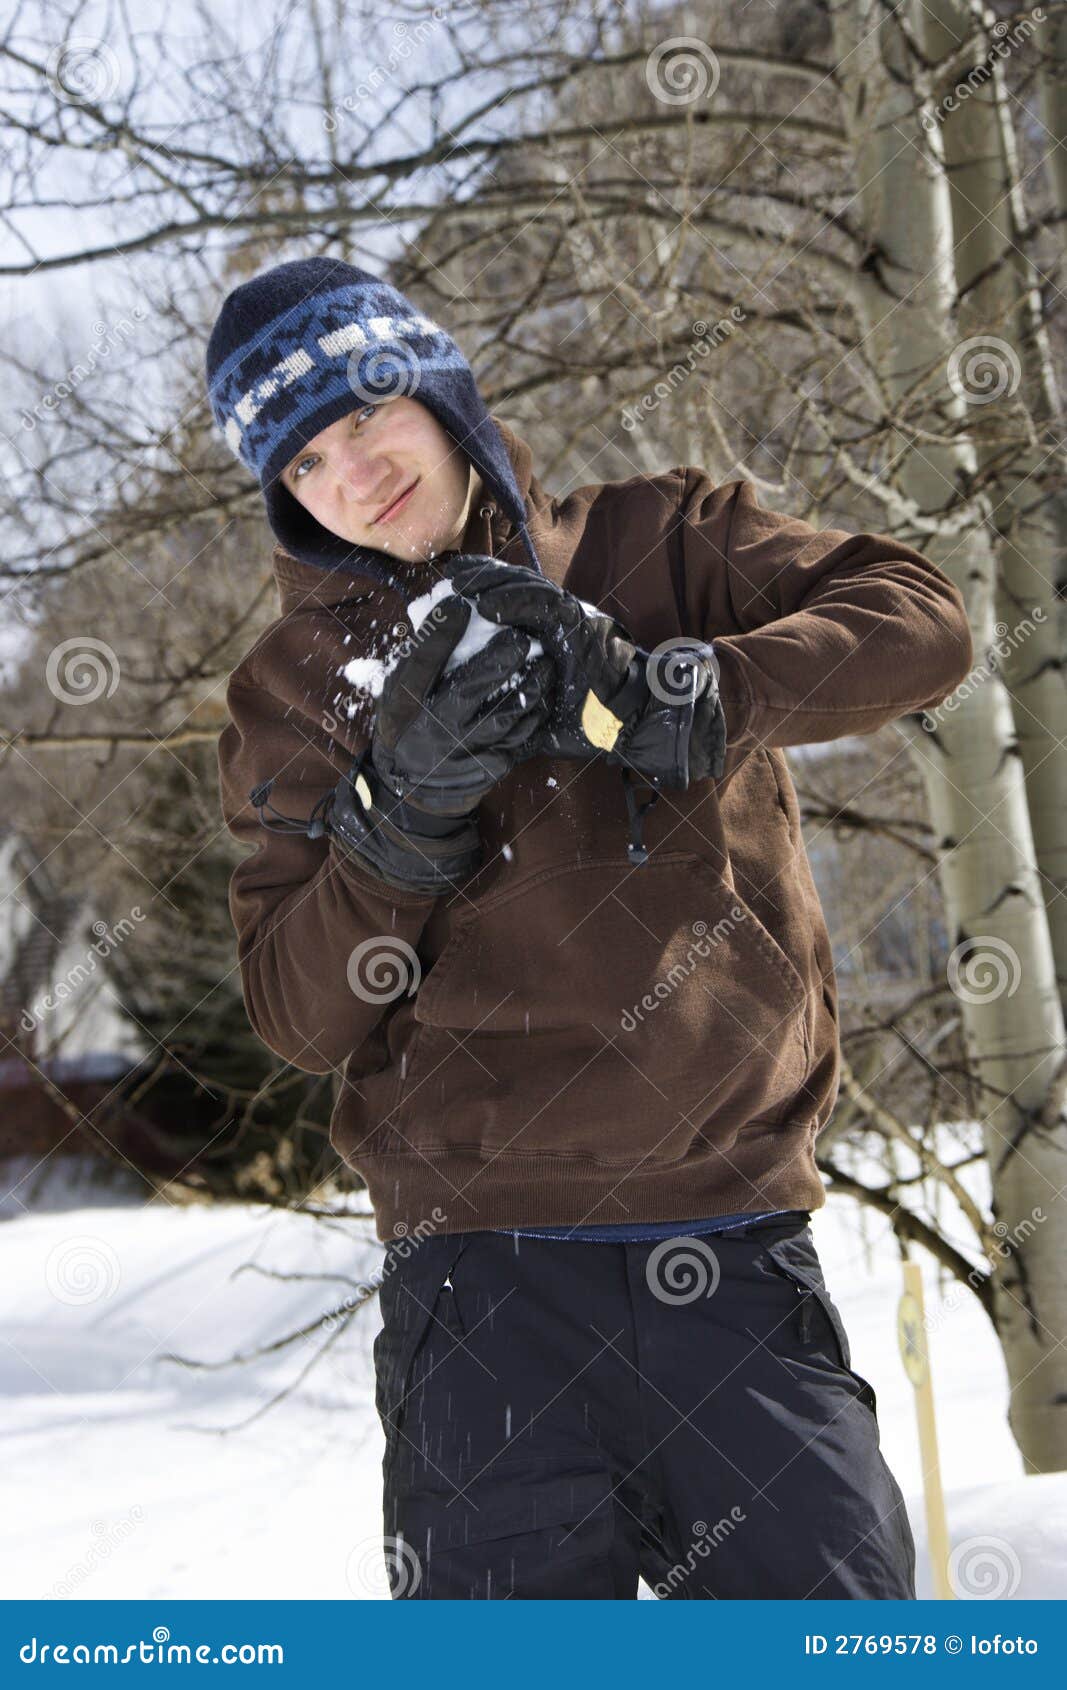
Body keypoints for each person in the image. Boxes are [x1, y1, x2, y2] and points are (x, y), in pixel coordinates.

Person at [207, 256, 973, 1599]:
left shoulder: (656, 542)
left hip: (730, 1244)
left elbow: (925, 622)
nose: (355, 471)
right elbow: (298, 1009)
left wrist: (688, 690)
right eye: (308, 462)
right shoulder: (298, 690)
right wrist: (393, 832)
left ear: (435, 389)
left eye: (368, 414)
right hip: (478, 1285)